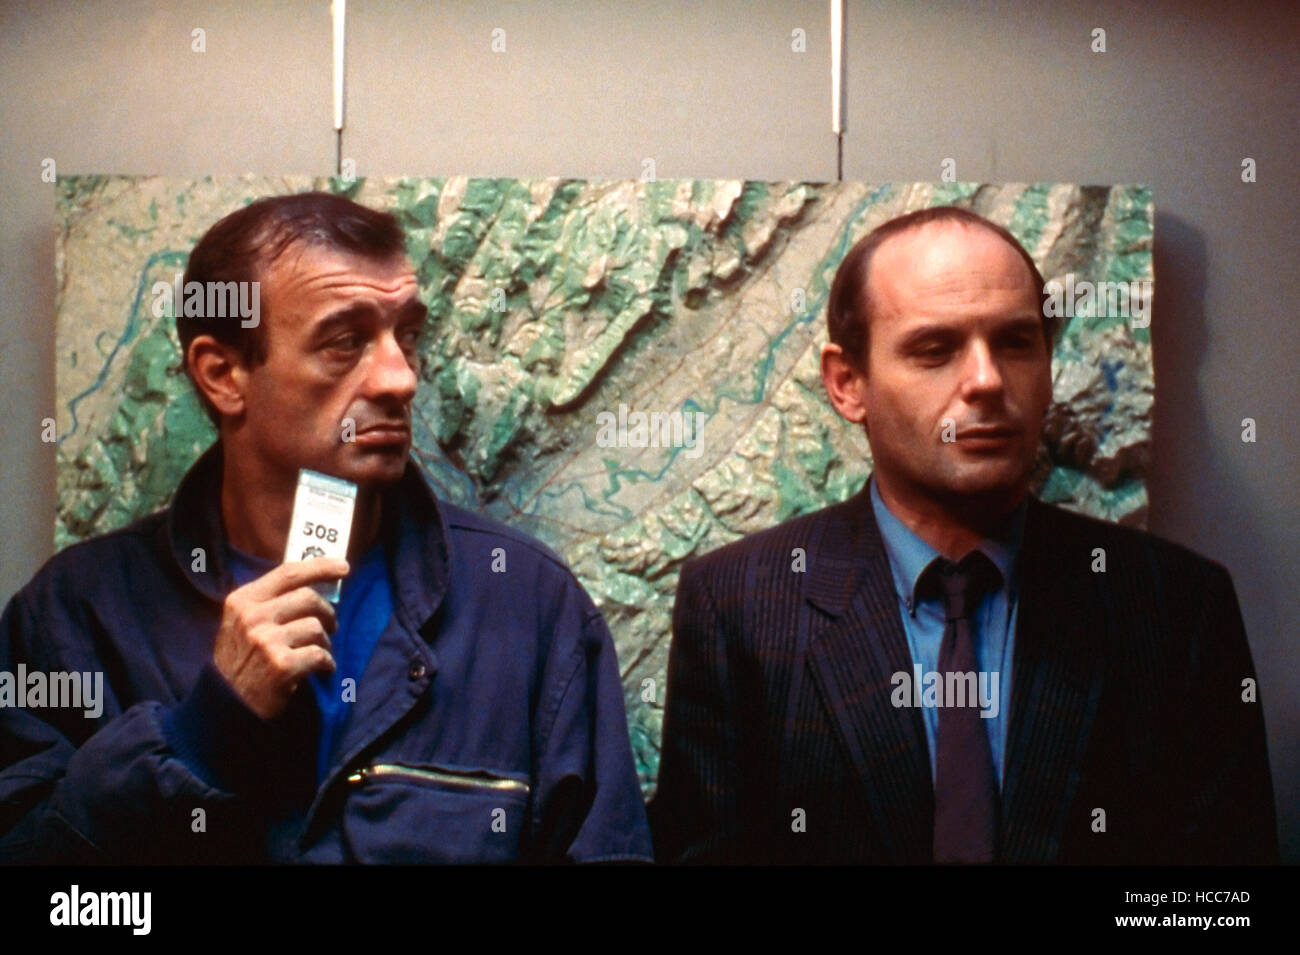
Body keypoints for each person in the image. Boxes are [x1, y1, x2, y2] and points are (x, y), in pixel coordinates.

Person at [0, 191, 652, 864]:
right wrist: (201, 733)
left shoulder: (530, 607)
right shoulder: (75, 617)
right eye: (346, 342)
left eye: (407, 335)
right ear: (223, 374)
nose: (400, 378)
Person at [649, 206, 1277, 864]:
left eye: (1015, 342)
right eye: (935, 349)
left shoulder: (1175, 606)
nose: (986, 380)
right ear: (847, 383)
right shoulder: (741, 606)